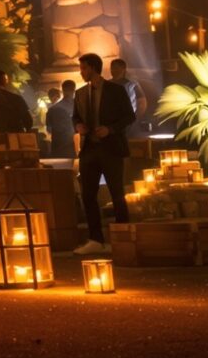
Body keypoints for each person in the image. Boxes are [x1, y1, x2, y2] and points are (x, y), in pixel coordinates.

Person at [72, 53, 133, 255]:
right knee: (88, 195)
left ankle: (123, 236)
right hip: (89, 149)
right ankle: (95, 239)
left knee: (117, 193)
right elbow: (75, 117)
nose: (81, 72)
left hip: (111, 148)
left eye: (83, 68)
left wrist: (110, 129)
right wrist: (78, 125)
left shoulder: (115, 90)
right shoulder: (80, 93)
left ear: (93, 68)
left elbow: (129, 116)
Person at [109, 59, 143, 136]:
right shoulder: (106, 85)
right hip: (111, 123)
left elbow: (142, 102)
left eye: (116, 68)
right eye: (112, 68)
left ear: (123, 69)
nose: (113, 70)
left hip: (128, 121)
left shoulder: (132, 84)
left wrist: (135, 118)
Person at [44, 82, 76, 158]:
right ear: (74, 90)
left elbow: (48, 129)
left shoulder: (52, 109)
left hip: (56, 146)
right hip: (71, 144)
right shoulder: (77, 106)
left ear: (63, 90)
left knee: (58, 168)